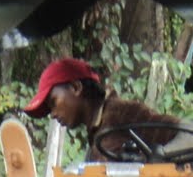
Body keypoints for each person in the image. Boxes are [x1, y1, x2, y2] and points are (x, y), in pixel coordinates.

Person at [22, 57, 179, 162]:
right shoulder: (95, 140)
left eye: (53, 102)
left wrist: (158, 158)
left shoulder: (122, 113)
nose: (53, 114)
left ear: (76, 87)